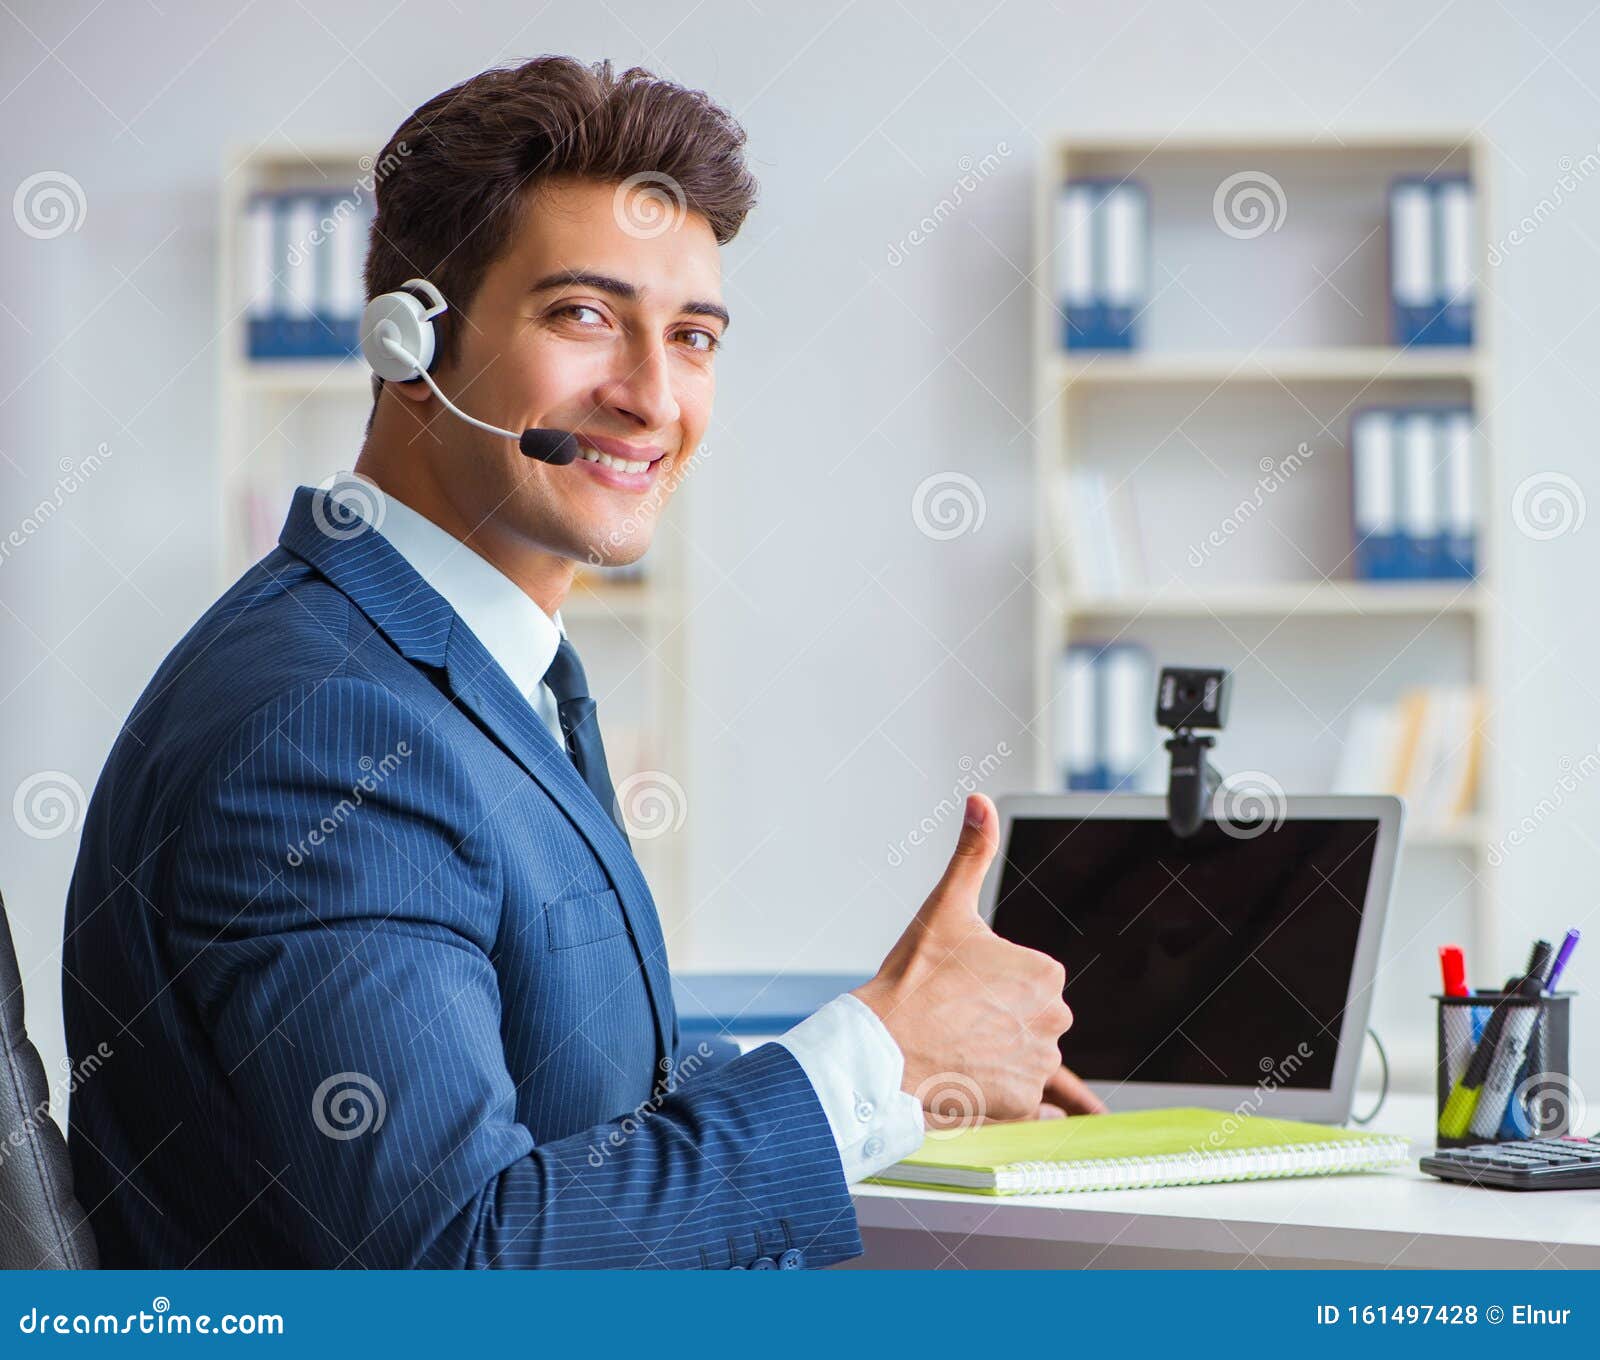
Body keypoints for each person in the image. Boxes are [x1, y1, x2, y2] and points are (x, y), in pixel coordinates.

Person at [62, 55, 1100, 1271]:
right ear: (408, 341)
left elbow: (550, 1103)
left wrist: (912, 1065)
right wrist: (877, 1060)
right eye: (585, 316)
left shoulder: (480, 671)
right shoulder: (326, 728)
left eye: (695, 335)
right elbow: (463, 1265)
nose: (654, 396)